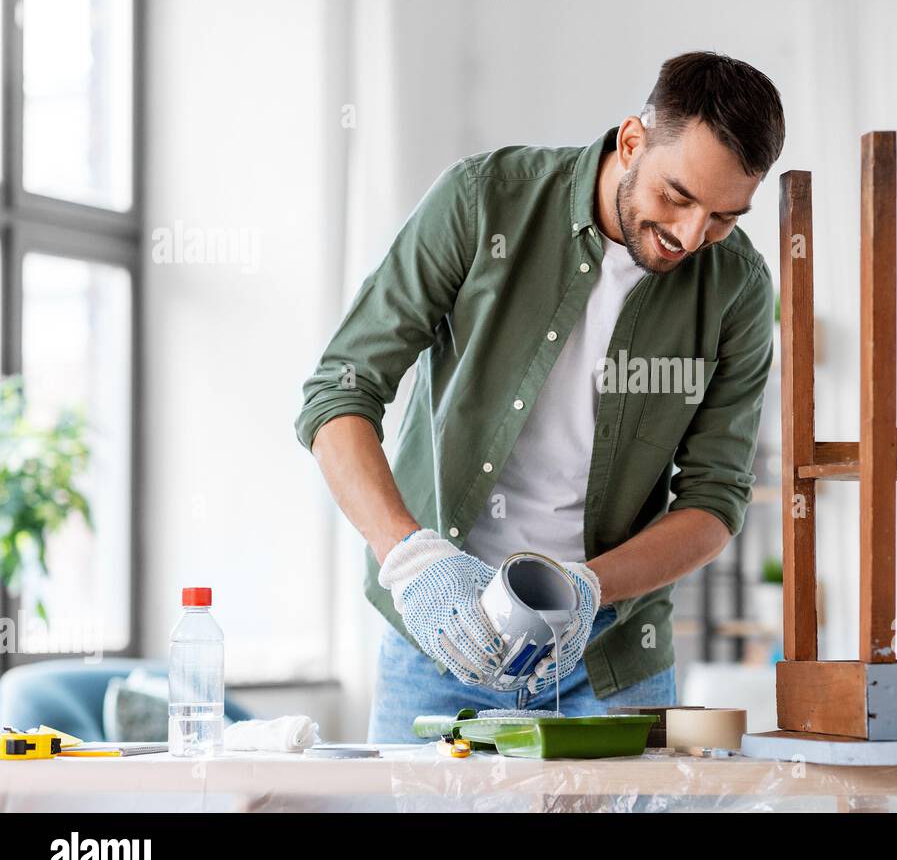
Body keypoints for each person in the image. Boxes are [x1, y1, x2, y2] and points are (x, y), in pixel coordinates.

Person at [295, 51, 785, 741]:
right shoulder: (483, 201)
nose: (689, 235)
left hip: (612, 658)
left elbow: (714, 501)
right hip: (438, 640)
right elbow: (338, 392)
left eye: (724, 217)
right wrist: (410, 558)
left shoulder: (736, 285)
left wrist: (586, 589)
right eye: (676, 197)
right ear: (632, 141)